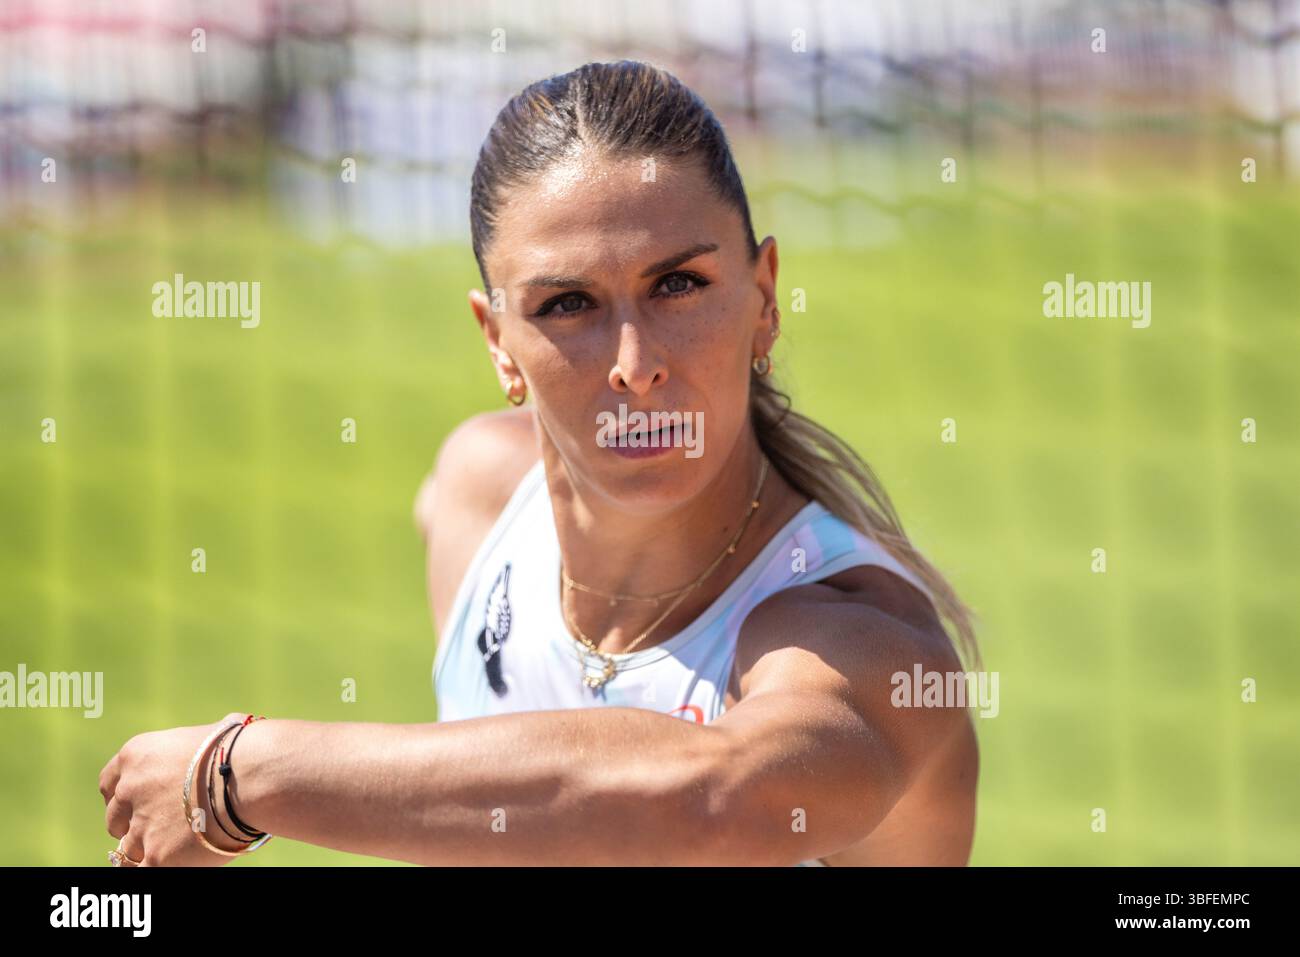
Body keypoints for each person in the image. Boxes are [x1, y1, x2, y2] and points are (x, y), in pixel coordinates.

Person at [99, 59, 979, 867]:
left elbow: (711, 805)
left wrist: (246, 773)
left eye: (678, 284)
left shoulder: (863, 642)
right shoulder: (478, 501)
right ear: (498, 344)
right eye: (567, 303)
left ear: (764, 298)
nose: (635, 361)